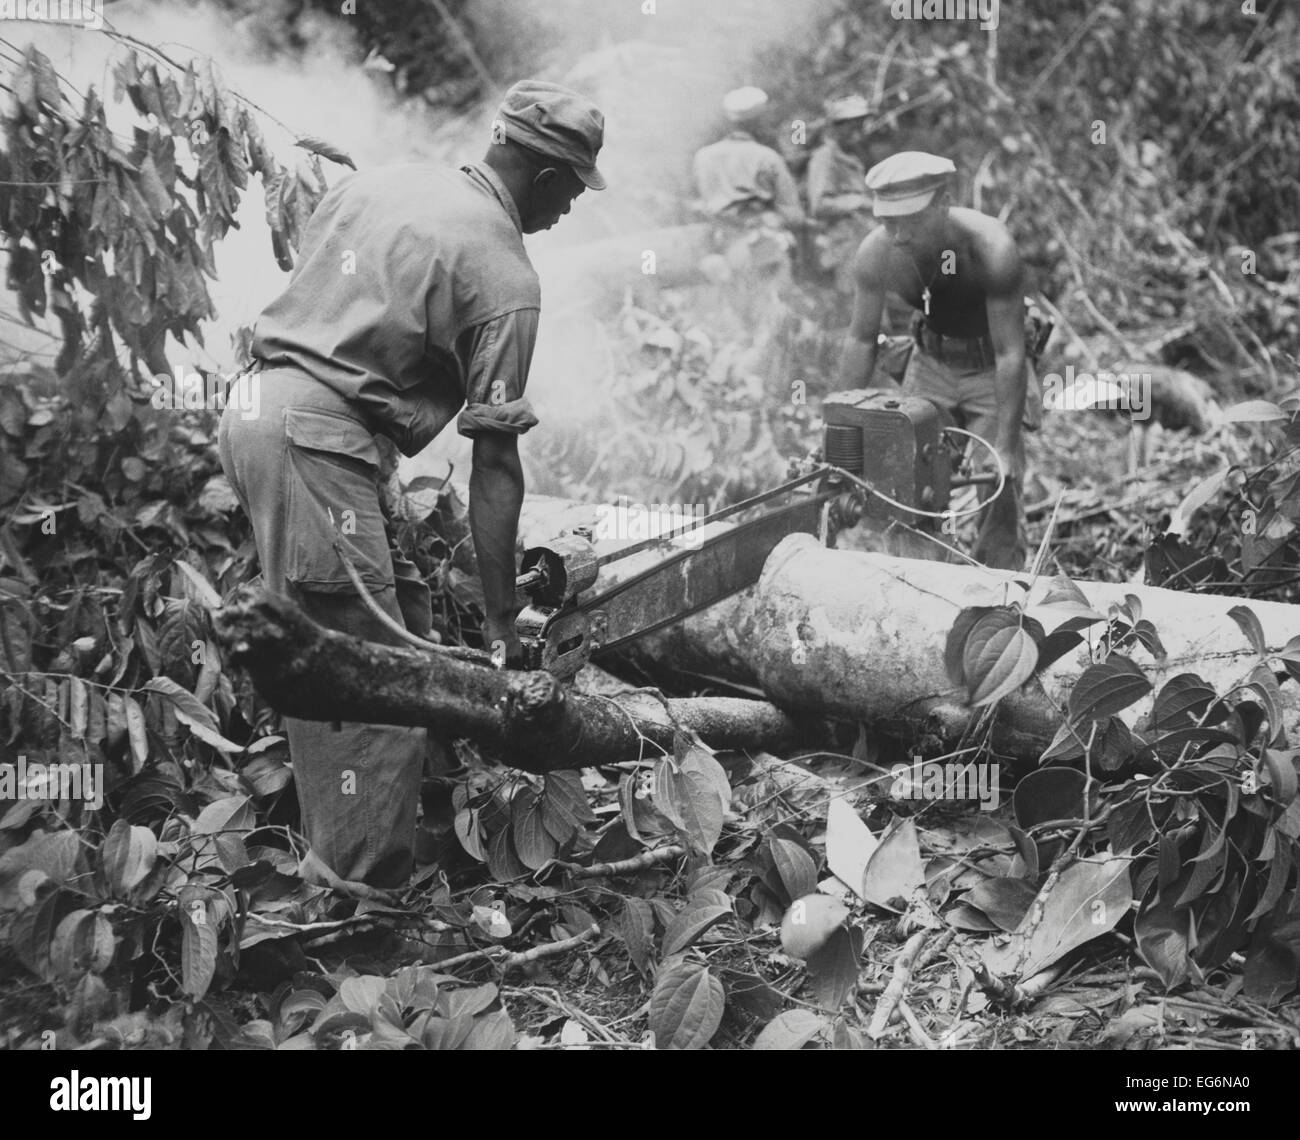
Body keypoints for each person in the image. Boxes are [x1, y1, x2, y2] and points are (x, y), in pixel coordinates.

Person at [217, 79, 605, 889]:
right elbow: (496, 462)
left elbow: (329, 303)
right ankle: (363, 903)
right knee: (372, 687)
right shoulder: (505, 274)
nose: (569, 209)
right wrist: (504, 624)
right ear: (543, 179)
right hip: (313, 440)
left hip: (264, 410)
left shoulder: (382, 180)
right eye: (571, 191)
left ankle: (376, 837)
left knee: (403, 619)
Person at [836, 151, 1038, 570]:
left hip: (990, 367)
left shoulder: (991, 248)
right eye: (888, 221)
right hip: (929, 363)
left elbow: (1009, 352)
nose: (898, 234)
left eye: (910, 220)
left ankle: (999, 585)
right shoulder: (877, 252)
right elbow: (860, 340)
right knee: (908, 473)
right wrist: (840, 431)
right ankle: (921, 576)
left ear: (943, 205)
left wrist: (1004, 446)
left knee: (995, 482)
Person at [806, 94, 873, 290]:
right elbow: (818, 205)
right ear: (837, 127)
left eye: (861, 125)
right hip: (841, 247)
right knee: (853, 308)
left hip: (860, 244)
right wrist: (858, 202)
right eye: (853, 126)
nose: (859, 132)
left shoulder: (853, 156)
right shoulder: (825, 158)